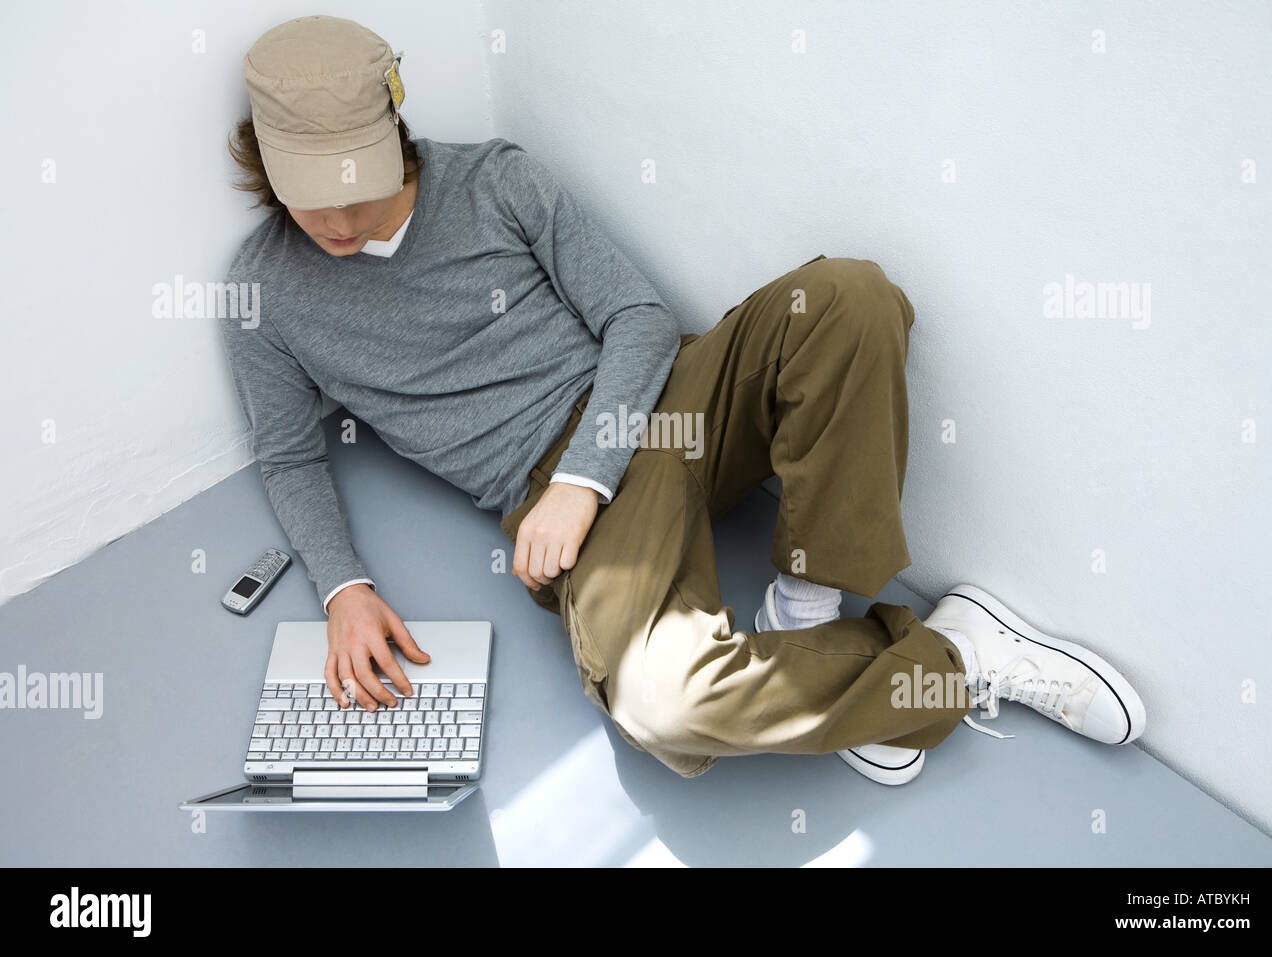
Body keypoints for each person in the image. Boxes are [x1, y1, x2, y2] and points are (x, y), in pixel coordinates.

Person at [221, 15, 1146, 785]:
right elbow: (289, 453)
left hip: (663, 396)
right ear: (264, 161)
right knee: (664, 705)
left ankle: (806, 612)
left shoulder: (496, 180)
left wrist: (585, 476)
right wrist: (344, 587)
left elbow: (637, 315)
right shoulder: (264, 295)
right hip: (554, 488)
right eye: (311, 200)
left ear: (395, 129)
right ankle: (959, 658)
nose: (339, 222)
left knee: (849, 296)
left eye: (360, 188)